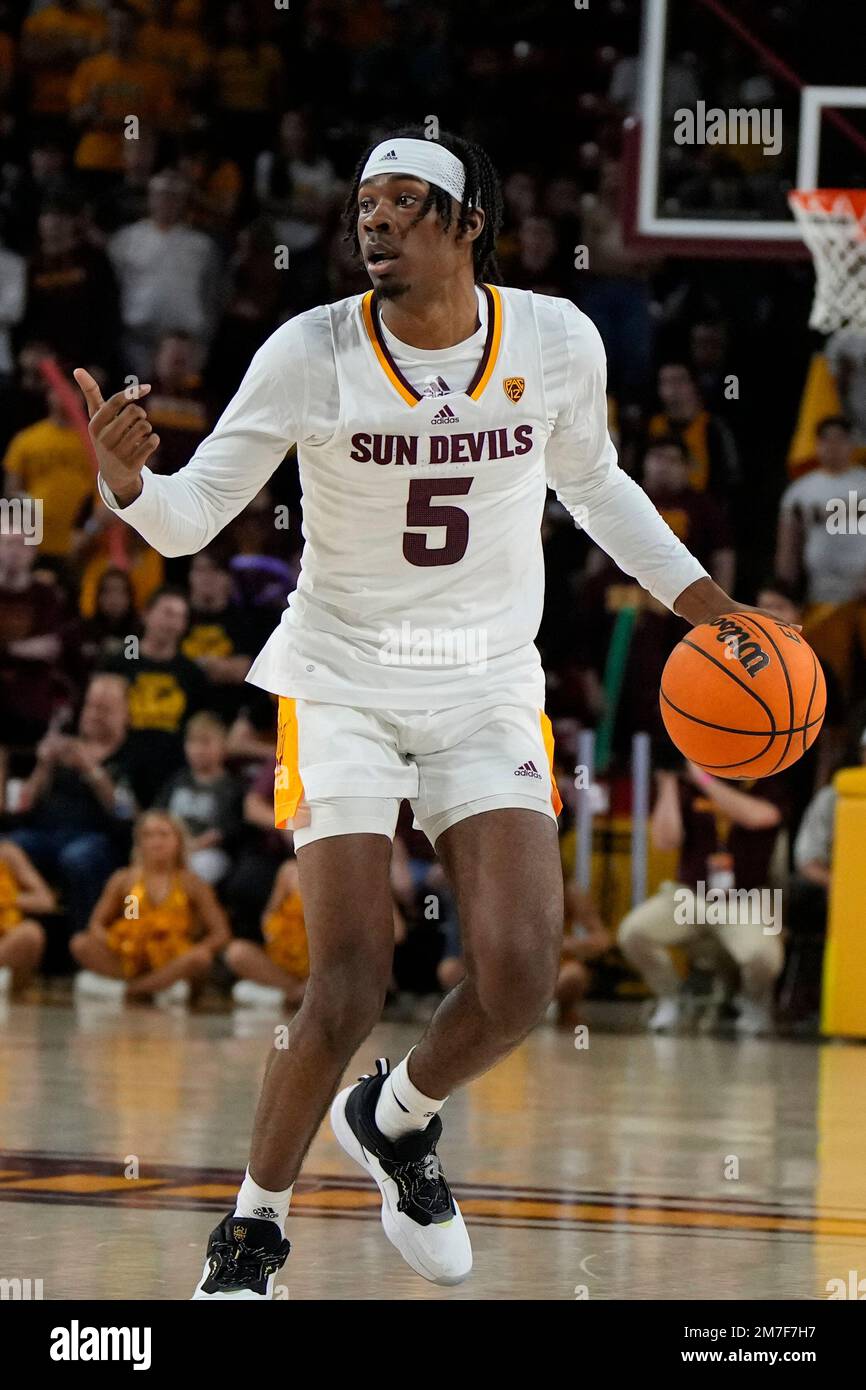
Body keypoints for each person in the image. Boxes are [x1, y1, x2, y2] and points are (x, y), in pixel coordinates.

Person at [76, 126, 760, 1299]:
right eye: (362, 207)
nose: (374, 222)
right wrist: (125, 479)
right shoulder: (309, 351)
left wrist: (708, 606)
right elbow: (188, 521)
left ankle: (394, 1120)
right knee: (345, 976)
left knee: (519, 973)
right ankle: (252, 1231)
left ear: (466, 223)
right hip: (340, 678)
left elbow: (594, 483)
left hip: (486, 680)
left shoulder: (551, 338)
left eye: (402, 203)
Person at [618, 760, 788, 1038]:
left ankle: (753, 1002)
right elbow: (665, 840)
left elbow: (759, 817)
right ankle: (671, 997)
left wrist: (705, 781)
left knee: (764, 956)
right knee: (633, 933)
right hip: (689, 895)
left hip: (746, 898)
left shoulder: (766, 776)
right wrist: (669, 785)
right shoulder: (686, 783)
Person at [11, 673, 136, 931]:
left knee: (78, 857)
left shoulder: (133, 756)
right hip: (46, 833)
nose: (94, 714)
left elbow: (126, 814)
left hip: (99, 838)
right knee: (9, 846)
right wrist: (44, 766)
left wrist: (92, 771)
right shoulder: (64, 747)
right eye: (91, 706)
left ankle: (86, 938)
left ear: (126, 715)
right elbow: (23, 806)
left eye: (105, 709)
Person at [70, 808, 230, 1005]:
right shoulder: (126, 880)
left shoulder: (192, 883)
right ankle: (151, 986)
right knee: (80, 943)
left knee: (200, 959)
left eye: (163, 834)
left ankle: (135, 990)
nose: (156, 841)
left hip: (175, 959)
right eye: (148, 835)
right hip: (131, 958)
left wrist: (195, 950)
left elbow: (220, 933)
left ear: (178, 841)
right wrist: (116, 943)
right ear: (139, 843)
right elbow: (97, 924)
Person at [775, 416, 866, 700]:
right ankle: (830, 744)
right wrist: (785, 593)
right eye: (827, 439)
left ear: (852, 443)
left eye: (841, 438)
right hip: (822, 597)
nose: (834, 446)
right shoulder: (800, 491)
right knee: (829, 682)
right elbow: (788, 547)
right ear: (817, 444)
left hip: (864, 596)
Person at [101, 586, 208, 805]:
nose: (173, 623)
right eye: (168, 613)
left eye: (181, 617)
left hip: (171, 769)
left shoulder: (191, 672)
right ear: (146, 614)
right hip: (122, 763)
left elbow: (198, 725)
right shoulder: (123, 660)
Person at [154, 710, 242, 885]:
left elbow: (222, 831)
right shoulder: (178, 779)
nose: (198, 750)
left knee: (196, 868)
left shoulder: (230, 786)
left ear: (223, 745)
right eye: (192, 742)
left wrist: (188, 848)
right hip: (170, 845)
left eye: (206, 742)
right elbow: (158, 815)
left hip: (208, 852)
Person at [225, 857, 308, 1011]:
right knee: (237, 952)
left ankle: (302, 993)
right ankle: (298, 991)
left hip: (323, 959)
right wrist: (274, 932)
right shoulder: (289, 869)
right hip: (287, 957)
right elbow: (271, 912)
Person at [0, 839, 56, 994]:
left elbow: (45, 901)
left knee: (31, 933)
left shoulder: (7, 853)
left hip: (5, 939)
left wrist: (7, 898)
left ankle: (15, 989)